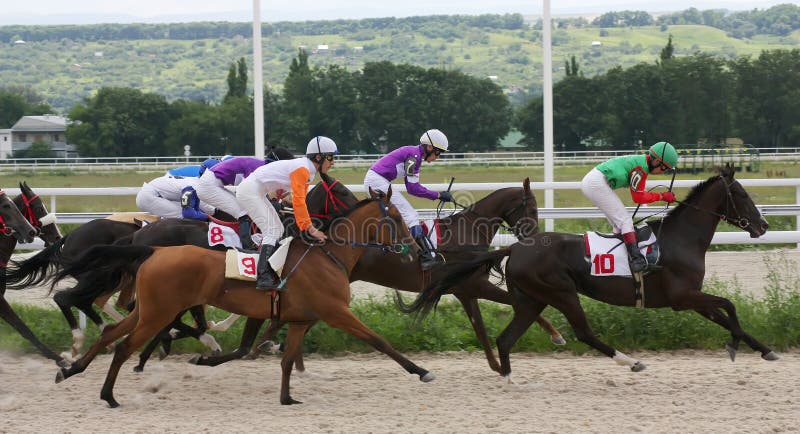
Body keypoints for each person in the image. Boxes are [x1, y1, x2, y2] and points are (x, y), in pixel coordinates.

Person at [236, 137, 334, 290]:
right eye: (330, 157)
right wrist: (310, 228)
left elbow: (298, 200)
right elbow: (299, 202)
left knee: (278, 230)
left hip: (256, 191)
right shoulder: (303, 169)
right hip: (250, 192)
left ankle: (268, 272)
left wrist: (306, 224)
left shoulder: (308, 170)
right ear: (318, 157)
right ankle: (263, 277)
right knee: (272, 230)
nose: (333, 162)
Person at [580, 141, 678, 273]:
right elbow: (638, 198)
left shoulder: (641, 164)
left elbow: (641, 194)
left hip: (595, 181)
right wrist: (662, 196)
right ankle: (636, 260)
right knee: (625, 221)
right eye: (664, 168)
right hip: (596, 183)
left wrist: (660, 196)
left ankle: (618, 257)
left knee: (619, 225)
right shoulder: (640, 168)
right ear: (656, 161)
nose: (662, 172)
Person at [363, 128, 453, 270]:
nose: (438, 156)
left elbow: (412, 187)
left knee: (401, 217)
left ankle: (406, 251)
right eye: (438, 152)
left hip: (378, 180)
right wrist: (439, 195)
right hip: (377, 181)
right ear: (429, 147)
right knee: (411, 215)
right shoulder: (413, 156)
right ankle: (424, 257)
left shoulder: (414, 155)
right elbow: (413, 188)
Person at [195, 148, 294, 249]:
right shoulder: (257, 167)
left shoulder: (260, 166)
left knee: (246, 210)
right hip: (208, 186)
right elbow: (248, 192)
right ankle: (247, 246)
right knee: (243, 212)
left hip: (214, 183)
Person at [136, 174, 215, 220]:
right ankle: (148, 227)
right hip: (149, 196)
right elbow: (189, 214)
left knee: (195, 214)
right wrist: (212, 214)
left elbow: (200, 206)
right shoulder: (193, 185)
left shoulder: (196, 181)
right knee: (186, 217)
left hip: (153, 193)